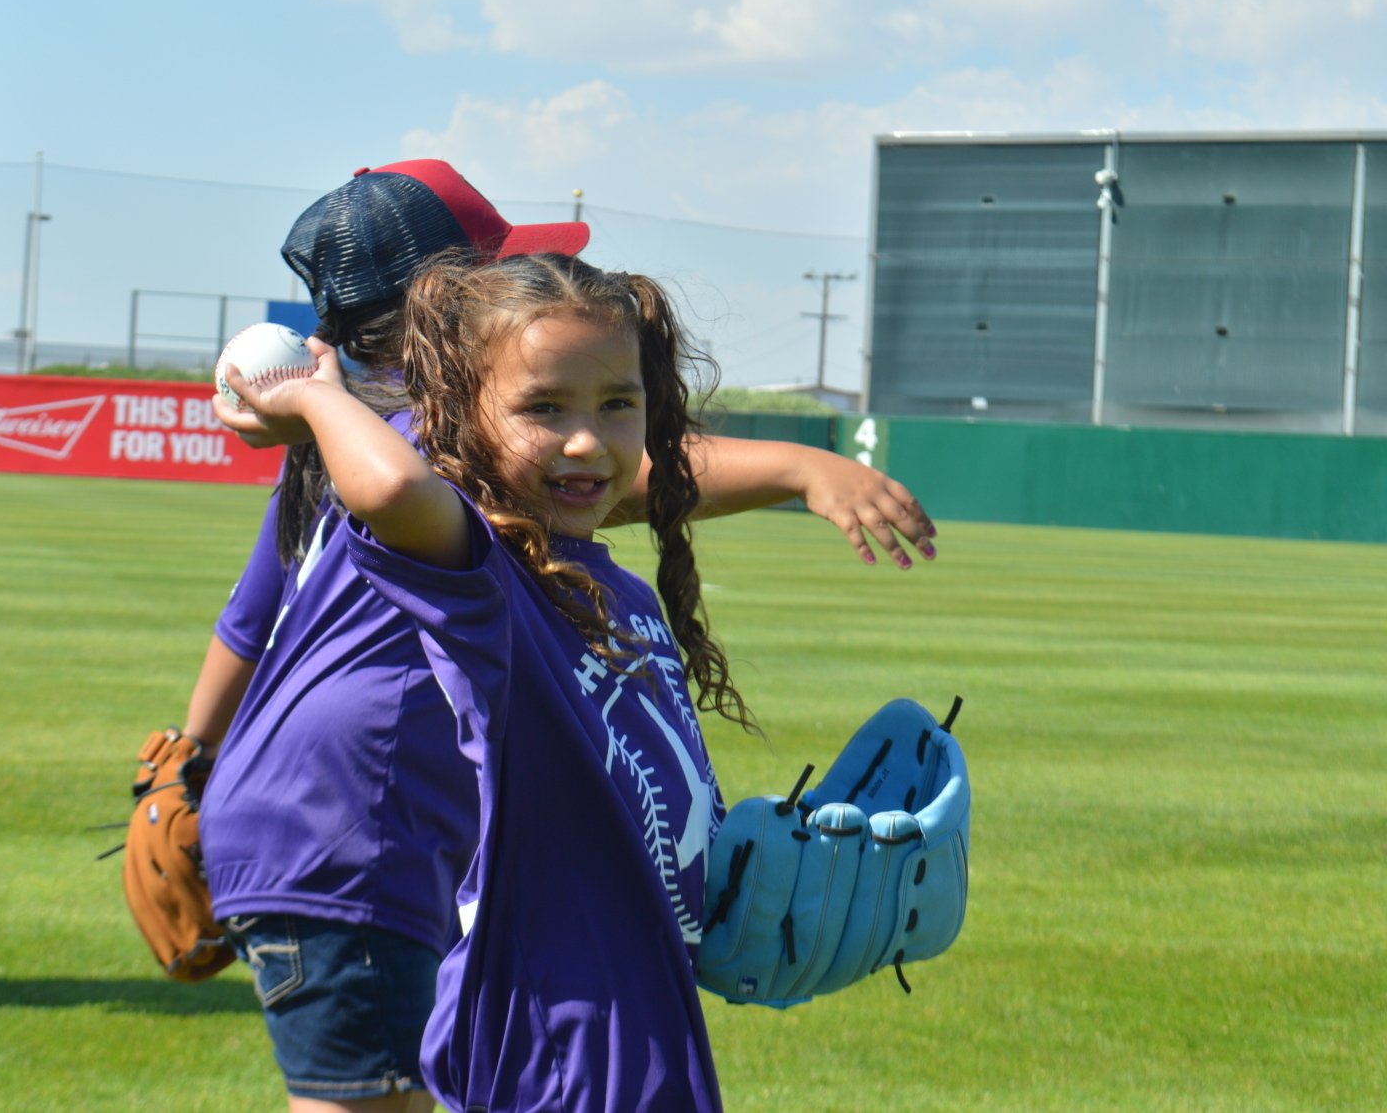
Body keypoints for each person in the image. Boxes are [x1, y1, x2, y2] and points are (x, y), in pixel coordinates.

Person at [176, 162, 935, 1112]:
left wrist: (180, 758)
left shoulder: (392, 469)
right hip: (344, 835)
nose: (584, 436)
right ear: (445, 327)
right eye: (503, 273)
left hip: (375, 837)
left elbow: (250, 625)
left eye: (617, 399)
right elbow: (579, 470)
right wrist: (795, 467)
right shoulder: (419, 455)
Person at [226, 251, 744, 1109]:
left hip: (648, 1021)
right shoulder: (483, 578)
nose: (587, 438)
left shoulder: (622, 592)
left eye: (618, 402)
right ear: (458, 419)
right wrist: (321, 398)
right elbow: (392, 485)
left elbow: (651, 819)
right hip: (555, 1033)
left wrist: (749, 882)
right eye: (544, 407)